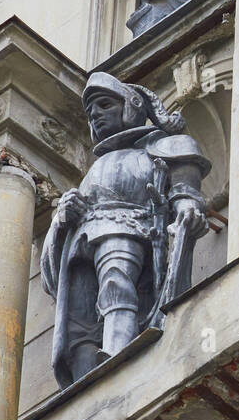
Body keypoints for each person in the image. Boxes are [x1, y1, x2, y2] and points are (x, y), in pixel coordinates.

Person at [41, 71, 210, 387]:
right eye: (92, 113)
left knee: (116, 284)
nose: (97, 116)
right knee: (80, 318)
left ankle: (116, 358)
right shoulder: (96, 166)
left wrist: (188, 209)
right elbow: (70, 221)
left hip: (129, 230)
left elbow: (186, 193)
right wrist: (64, 217)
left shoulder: (165, 146)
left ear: (132, 105)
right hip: (83, 242)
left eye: (104, 105)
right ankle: (85, 381)